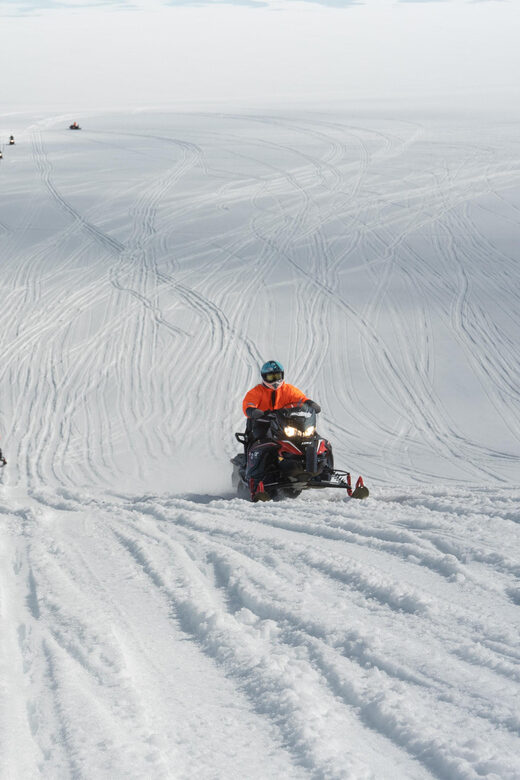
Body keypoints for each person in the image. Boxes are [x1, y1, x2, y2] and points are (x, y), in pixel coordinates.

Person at [242, 360, 321, 501]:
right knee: (265, 443)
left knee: (314, 438)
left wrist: (310, 404)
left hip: (284, 423)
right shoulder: (256, 392)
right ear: (264, 377)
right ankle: (257, 476)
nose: (275, 381)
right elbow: (248, 403)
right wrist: (253, 411)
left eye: (277, 376)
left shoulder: (288, 390)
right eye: (271, 377)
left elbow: (300, 399)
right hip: (262, 423)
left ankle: (321, 469)